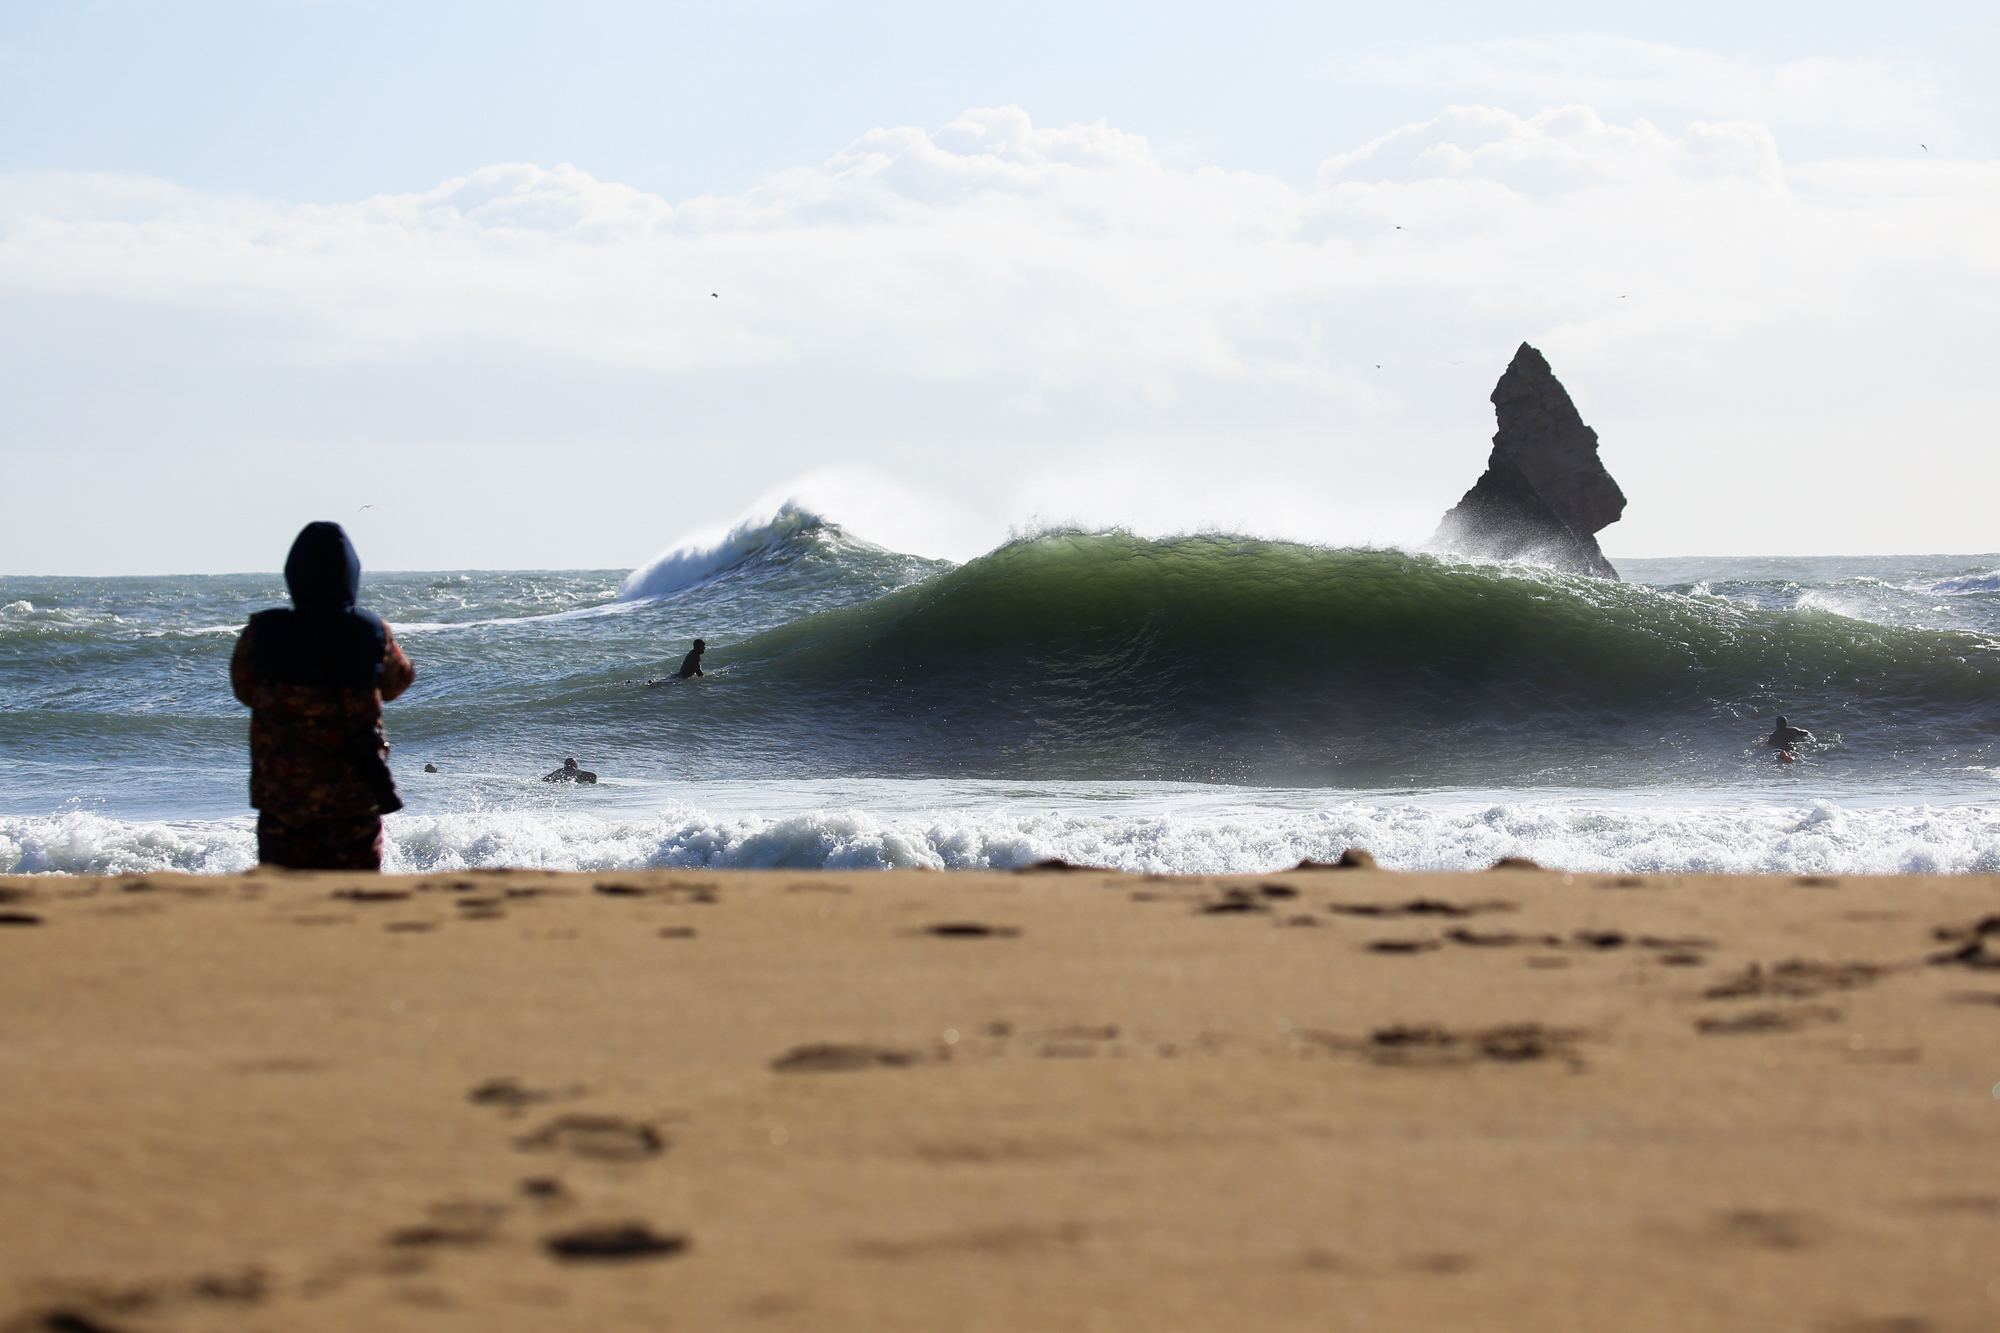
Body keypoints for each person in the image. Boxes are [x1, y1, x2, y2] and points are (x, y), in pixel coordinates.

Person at [230, 522, 415, 871]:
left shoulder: (263, 631)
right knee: (355, 890)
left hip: (283, 794)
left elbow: (245, 690)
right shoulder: (372, 630)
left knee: (283, 890)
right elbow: (398, 683)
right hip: (352, 794)